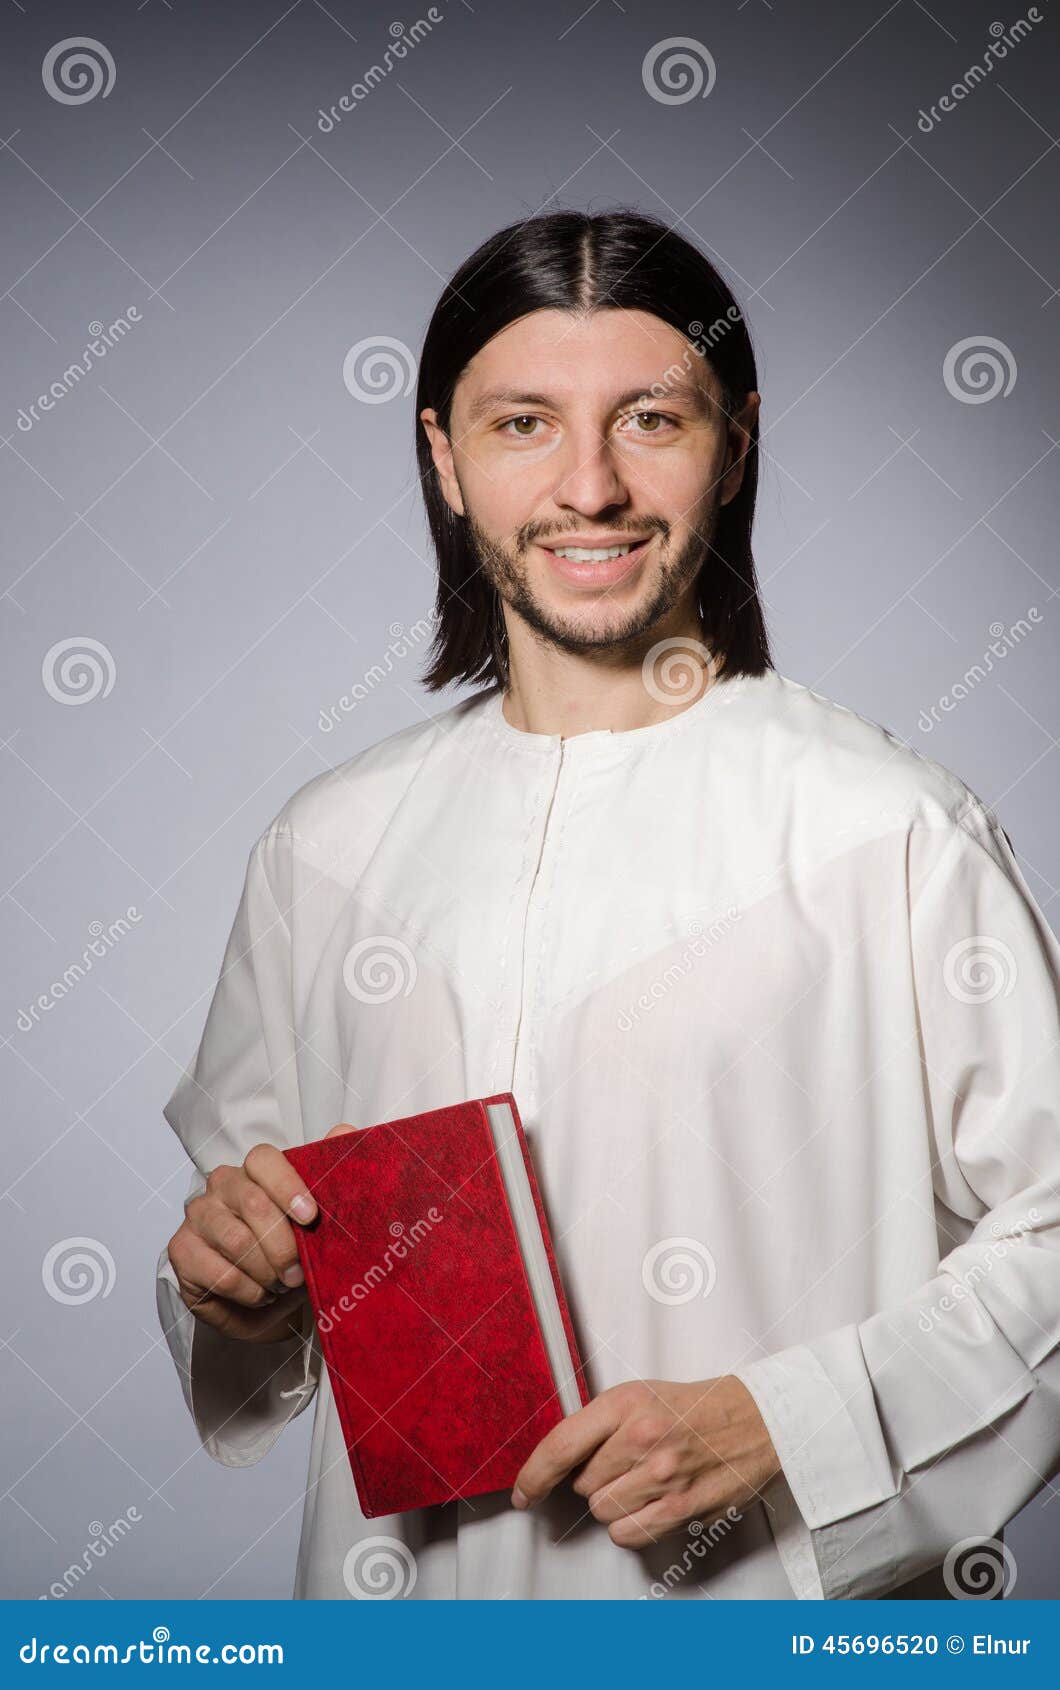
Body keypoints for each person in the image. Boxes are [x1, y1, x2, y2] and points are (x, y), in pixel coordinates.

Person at [157, 208, 1060, 1601]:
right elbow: (259, 1288)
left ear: (735, 444)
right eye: (525, 424)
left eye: (650, 417)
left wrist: (791, 1419)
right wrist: (234, 1282)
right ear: (445, 459)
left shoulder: (888, 830)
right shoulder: (326, 847)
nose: (591, 485)